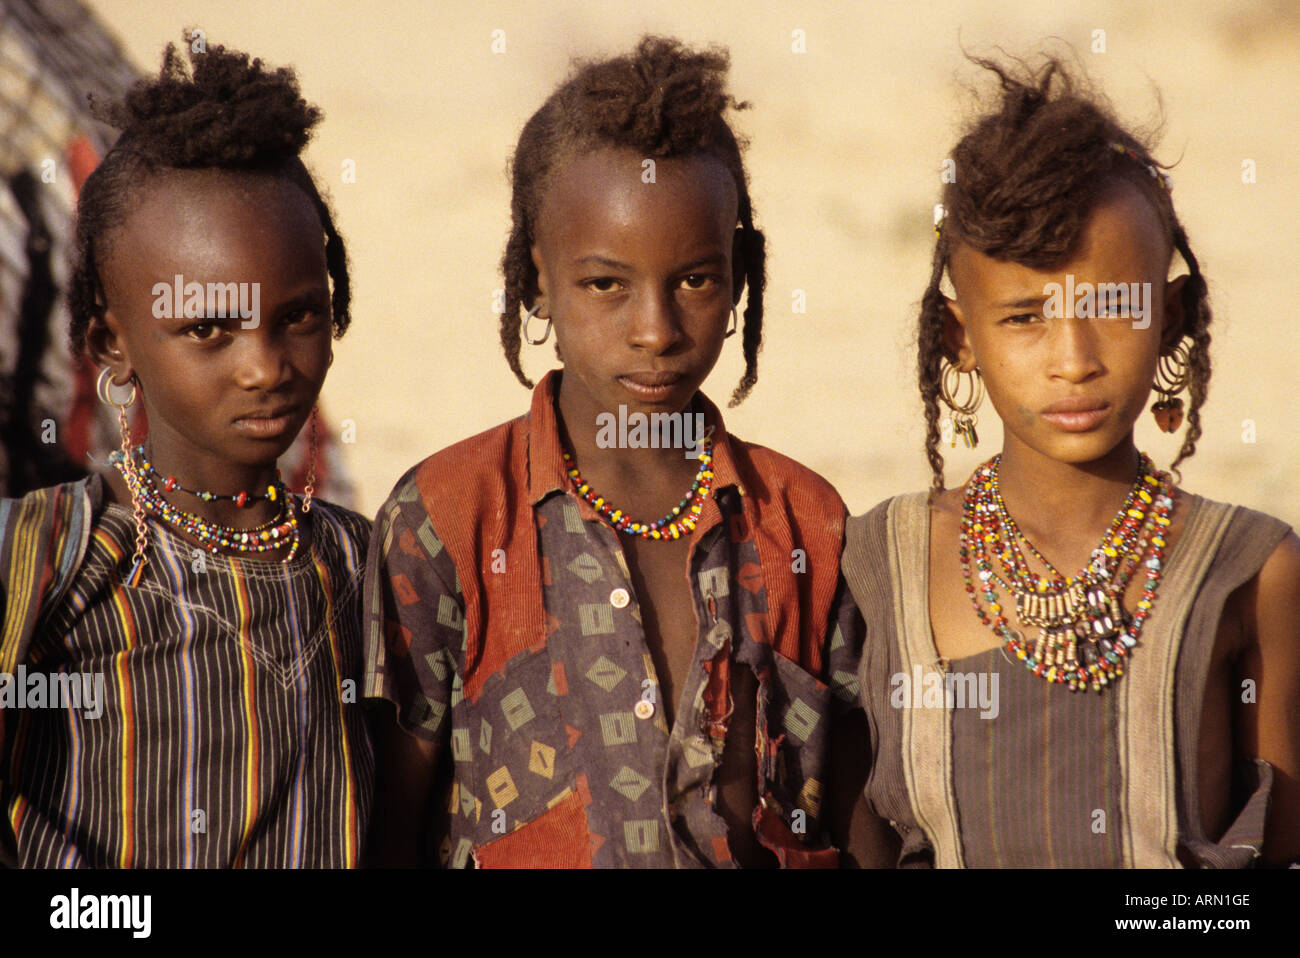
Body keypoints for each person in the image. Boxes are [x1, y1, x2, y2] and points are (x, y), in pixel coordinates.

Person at [364, 36, 872, 868]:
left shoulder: (806, 524)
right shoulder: (447, 520)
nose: (656, 331)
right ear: (536, 282)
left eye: (696, 281)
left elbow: (855, 812)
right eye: (606, 284)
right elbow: (392, 825)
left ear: (741, 276)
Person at [841, 55, 1300, 867]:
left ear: (1174, 318)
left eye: (1114, 309)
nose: (1074, 359)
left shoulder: (1250, 571)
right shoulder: (881, 565)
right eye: (1024, 317)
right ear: (961, 340)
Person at [0, 36, 372, 868]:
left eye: (299, 316)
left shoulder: (363, 568)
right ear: (111, 342)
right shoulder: (54, 553)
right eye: (207, 329)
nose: (265, 366)